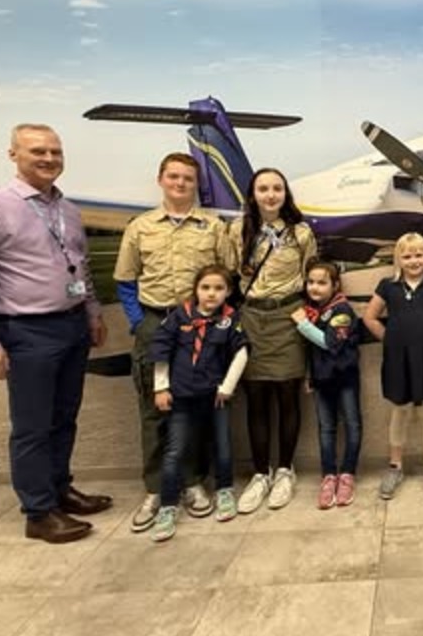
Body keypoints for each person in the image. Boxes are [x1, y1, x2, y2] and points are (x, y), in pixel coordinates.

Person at [0, 123, 112, 544]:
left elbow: (80, 268)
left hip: (71, 324)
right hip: (26, 330)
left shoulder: (68, 211)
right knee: (32, 426)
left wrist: (92, 312)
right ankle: (38, 511)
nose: (49, 159)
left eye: (55, 151)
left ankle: (59, 489)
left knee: (63, 418)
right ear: (13, 155)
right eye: (38, 151)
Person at [113, 152, 236, 531]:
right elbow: (126, 280)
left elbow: (228, 276)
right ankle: (155, 488)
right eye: (173, 176)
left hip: (200, 326)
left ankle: (193, 481)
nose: (180, 183)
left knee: (196, 407)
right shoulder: (140, 227)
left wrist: (217, 321)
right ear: (161, 179)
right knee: (154, 409)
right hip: (155, 320)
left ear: (196, 184)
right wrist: (140, 323)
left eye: (188, 178)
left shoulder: (213, 227)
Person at [233, 167, 318, 513]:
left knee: (287, 397)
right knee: (256, 398)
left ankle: (284, 469)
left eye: (277, 188)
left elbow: (310, 275)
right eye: (263, 189)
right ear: (253, 195)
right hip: (252, 318)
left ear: (286, 194)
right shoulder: (237, 230)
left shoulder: (301, 233)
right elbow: (230, 272)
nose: (270, 195)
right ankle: (260, 474)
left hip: (288, 317)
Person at [147, 265, 249, 541]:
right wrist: (161, 387)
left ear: (228, 292)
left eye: (218, 288)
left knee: (222, 445)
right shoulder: (179, 316)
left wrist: (227, 387)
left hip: (214, 396)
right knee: (175, 450)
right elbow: (161, 351)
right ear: (196, 289)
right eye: (205, 288)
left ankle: (224, 489)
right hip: (181, 396)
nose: (211, 294)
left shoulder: (230, 319)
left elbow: (241, 352)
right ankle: (168, 505)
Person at [362, 232, 423, 502]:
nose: (414, 261)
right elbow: (370, 318)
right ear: (398, 259)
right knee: (400, 410)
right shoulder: (388, 286)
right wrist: (392, 338)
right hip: (398, 358)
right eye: (407, 256)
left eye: (419, 255)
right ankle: (395, 466)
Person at [292, 259, 364, 510]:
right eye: (310, 282)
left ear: (335, 285)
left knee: (352, 424)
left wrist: (303, 324)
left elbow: (330, 343)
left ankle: (347, 474)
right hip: (321, 379)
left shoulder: (341, 310)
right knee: (326, 428)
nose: (315, 287)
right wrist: (309, 375)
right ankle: (328, 475)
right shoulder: (312, 310)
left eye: (322, 283)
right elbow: (311, 351)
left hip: (345, 378)